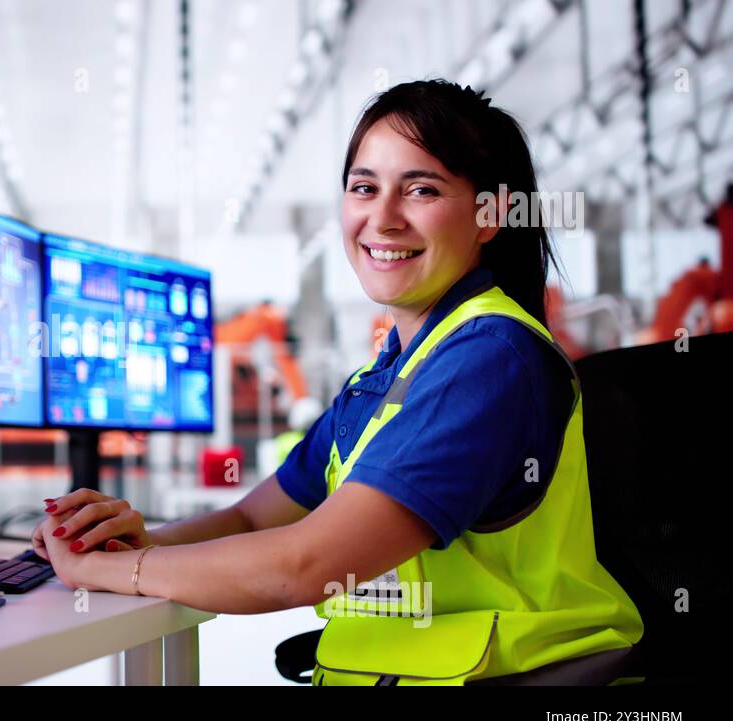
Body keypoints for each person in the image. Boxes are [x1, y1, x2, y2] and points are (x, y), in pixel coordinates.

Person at [31, 79, 643, 686]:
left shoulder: (490, 357)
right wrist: (134, 543)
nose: (383, 219)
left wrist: (119, 573)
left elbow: (304, 564)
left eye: (421, 189)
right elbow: (251, 521)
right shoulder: (386, 376)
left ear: (490, 215)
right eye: (364, 188)